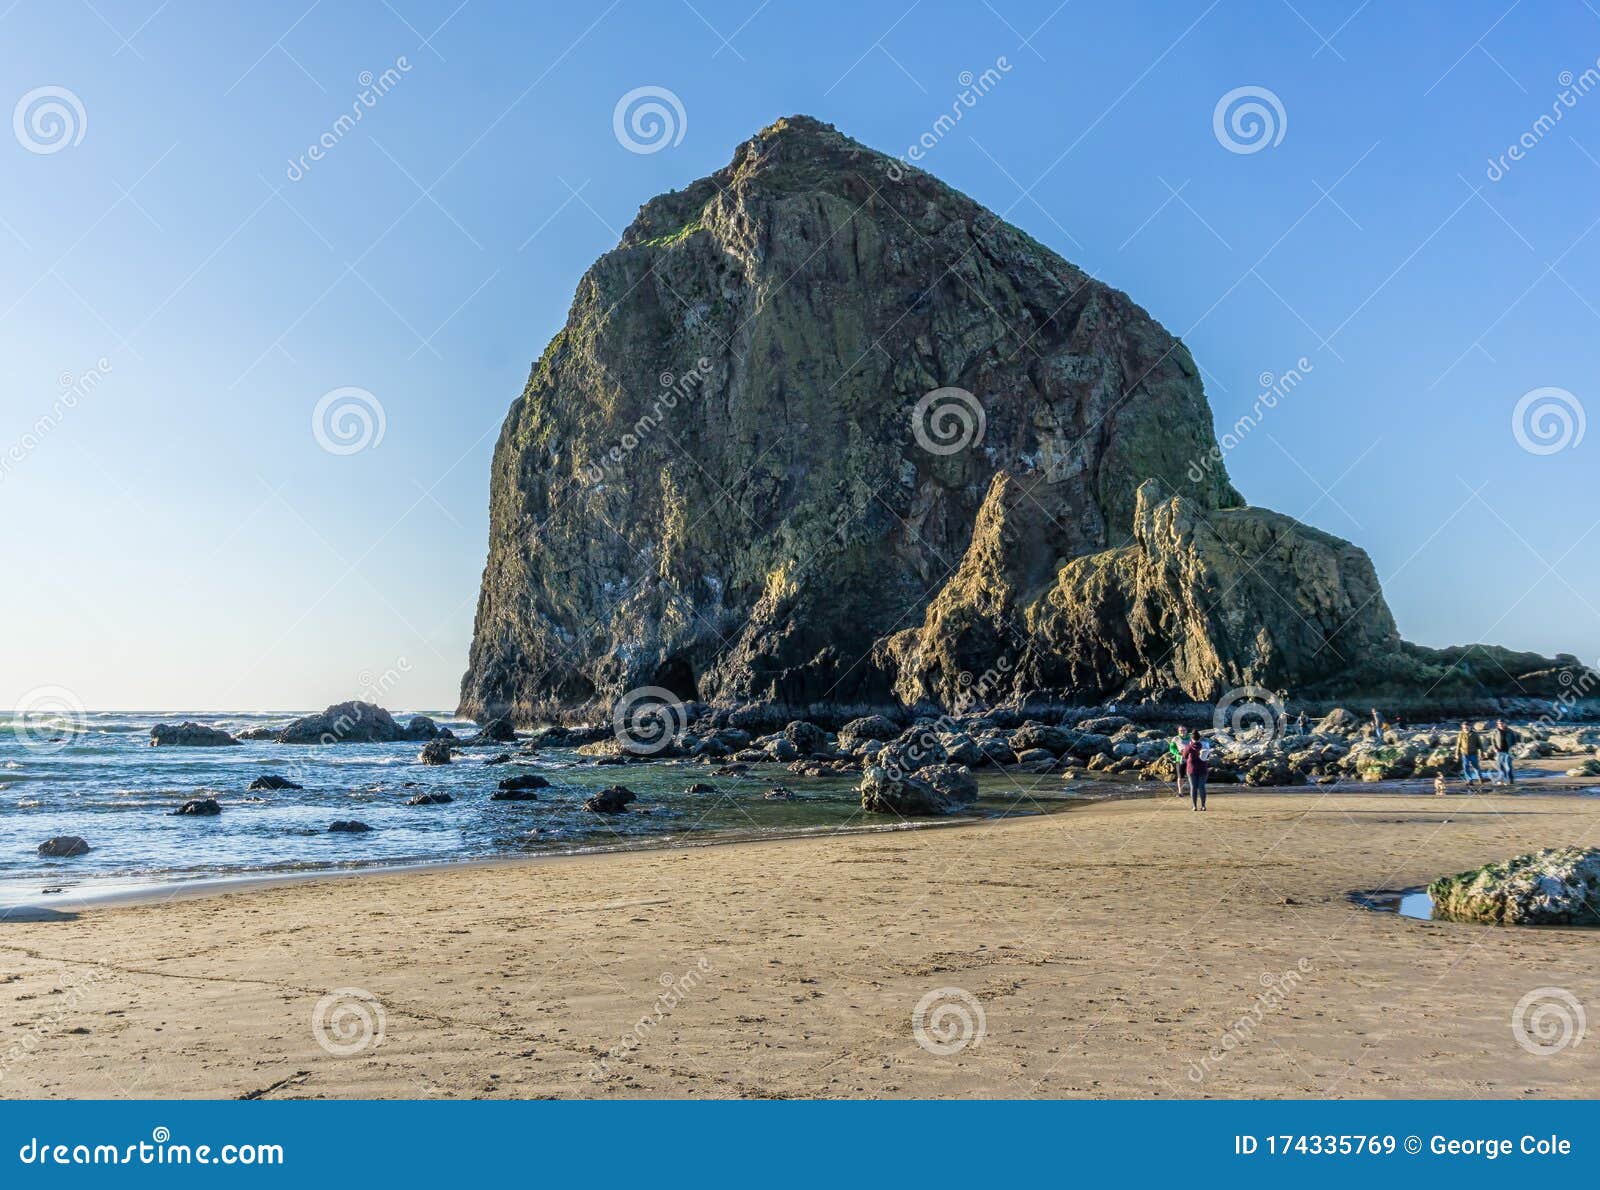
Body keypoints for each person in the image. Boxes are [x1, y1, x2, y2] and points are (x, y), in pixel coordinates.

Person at [1182, 734, 1210, 811]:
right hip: (1203, 769)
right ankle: (1203, 806)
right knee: (1202, 787)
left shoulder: (1189, 747)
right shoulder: (1205, 745)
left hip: (1191, 769)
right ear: (1200, 738)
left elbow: (1184, 756)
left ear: (1191, 738)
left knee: (1193, 787)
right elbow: (1208, 755)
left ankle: (1194, 806)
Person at [1493, 719, 1519, 786]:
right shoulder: (1495, 731)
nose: (1500, 725)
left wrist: (1514, 750)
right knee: (1500, 766)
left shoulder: (1510, 731)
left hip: (1509, 751)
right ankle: (1503, 780)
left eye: (1501, 723)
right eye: (1499, 723)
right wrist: (1495, 748)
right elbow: (1493, 741)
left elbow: (1514, 741)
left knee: (1508, 766)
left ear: (1505, 723)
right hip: (1500, 751)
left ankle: (1511, 779)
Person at [1168, 726, 1190, 798]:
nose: (1182, 732)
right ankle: (1180, 792)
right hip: (1179, 759)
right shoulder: (1175, 738)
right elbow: (1171, 749)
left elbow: (1197, 745)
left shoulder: (1191, 737)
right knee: (1180, 776)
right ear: (1178, 731)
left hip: (1190, 759)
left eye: (1184, 730)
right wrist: (1177, 752)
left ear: (1186, 730)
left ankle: (1193, 790)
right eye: (1180, 731)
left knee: (1192, 775)